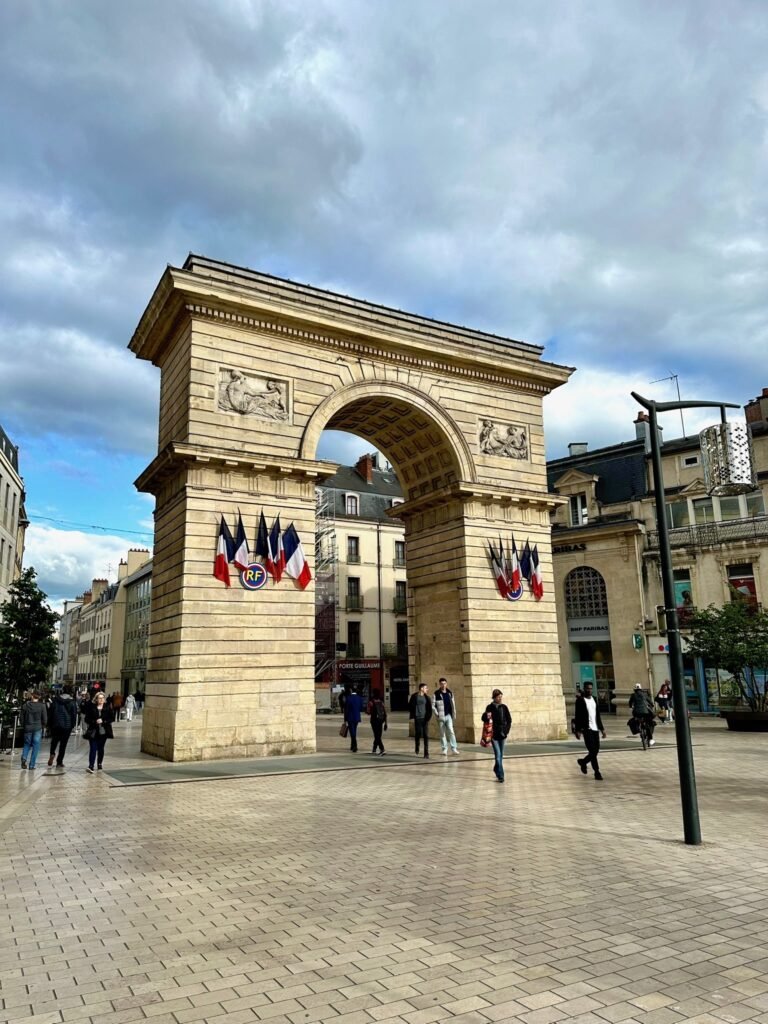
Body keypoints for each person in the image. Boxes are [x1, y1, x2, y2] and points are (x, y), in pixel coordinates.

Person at [574, 682, 606, 780]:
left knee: (595, 751)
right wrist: (578, 730)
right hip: (587, 729)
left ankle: (583, 762)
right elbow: (577, 716)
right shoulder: (580, 700)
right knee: (592, 751)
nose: (589, 690)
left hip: (595, 728)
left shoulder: (594, 699)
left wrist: (602, 729)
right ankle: (597, 772)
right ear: (584, 689)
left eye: (591, 688)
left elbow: (598, 715)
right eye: (587, 688)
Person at [482, 689, 512, 783]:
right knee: (498, 755)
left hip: (502, 735)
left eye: (501, 697)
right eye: (498, 697)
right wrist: (487, 715)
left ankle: (496, 769)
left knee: (501, 755)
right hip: (493, 735)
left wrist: (506, 731)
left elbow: (509, 720)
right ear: (494, 697)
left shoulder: (504, 707)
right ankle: (501, 776)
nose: (500, 698)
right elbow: (483, 718)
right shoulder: (489, 707)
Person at [83, 691, 114, 773]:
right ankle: (91, 766)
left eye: (102, 698)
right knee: (93, 748)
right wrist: (94, 721)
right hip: (93, 731)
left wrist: (103, 721)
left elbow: (112, 718)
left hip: (103, 731)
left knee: (100, 749)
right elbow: (86, 719)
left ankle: (99, 763)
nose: (101, 699)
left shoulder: (107, 707)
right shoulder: (91, 707)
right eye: (99, 698)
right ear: (96, 699)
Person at [47, 685, 77, 767]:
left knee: (54, 741)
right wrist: (73, 724)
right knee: (63, 744)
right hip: (67, 726)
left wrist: (49, 724)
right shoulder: (72, 702)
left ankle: (52, 753)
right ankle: (59, 761)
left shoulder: (55, 700)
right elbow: (74, 714)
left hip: (56, 724)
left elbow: (51, 712)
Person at [20, 691, 47, 770]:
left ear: (32, 696)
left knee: (27, 744)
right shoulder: (42, 706)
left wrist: (23, 725)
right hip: (37, 728)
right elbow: (45, 719)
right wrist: (43, 726)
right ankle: (31, 765)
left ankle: (24, 757)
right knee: (36, 746)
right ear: (39, 697)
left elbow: (21, 717)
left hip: (27, 727)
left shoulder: (25, 705)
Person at [433, 677, 459, 756]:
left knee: (451, 731)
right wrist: (437, 714)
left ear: (446, 684)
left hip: (448, 716)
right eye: (441, 684)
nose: (443, 685)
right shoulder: (436, 693)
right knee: (442, 733)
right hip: (440, 717)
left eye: (444, 683)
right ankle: (444, 749)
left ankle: (454, 748)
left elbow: (453, 704)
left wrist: (453, 713)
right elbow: (433, 705)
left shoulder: (449, 693)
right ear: (439, 684)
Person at [408, 682, 433, 758]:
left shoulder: (427, 697)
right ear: (421, 688)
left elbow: (429, 708)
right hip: (417, 718)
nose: (427, 689)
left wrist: (428, 717)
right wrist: (414, 713)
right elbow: (410, 705)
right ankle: (417, 746)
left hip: (425, 718)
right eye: (426, 688)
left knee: (426, 735)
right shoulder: (414, 696)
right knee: (418, 734)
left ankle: (426, 753)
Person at [366, 690, 388, 755]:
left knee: (376, 735)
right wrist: (386, 723)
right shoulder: (381, 702)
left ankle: (382, 748)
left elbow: (368, 712)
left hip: (374, 721)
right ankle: (374, 748)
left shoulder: (371, 702)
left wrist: (368, 712)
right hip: (380, 721)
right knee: (378, 735)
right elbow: (385, 713)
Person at [343, 685, 363, 753]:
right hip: (357, 717)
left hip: (350, 717)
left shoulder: (348, 698)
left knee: (352, 732)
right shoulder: (359, 698)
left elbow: (346, 709)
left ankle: (355, 746)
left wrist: (345, 719)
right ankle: (352, 745)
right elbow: (361, 708)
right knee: (354, 730)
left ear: (351, 690)